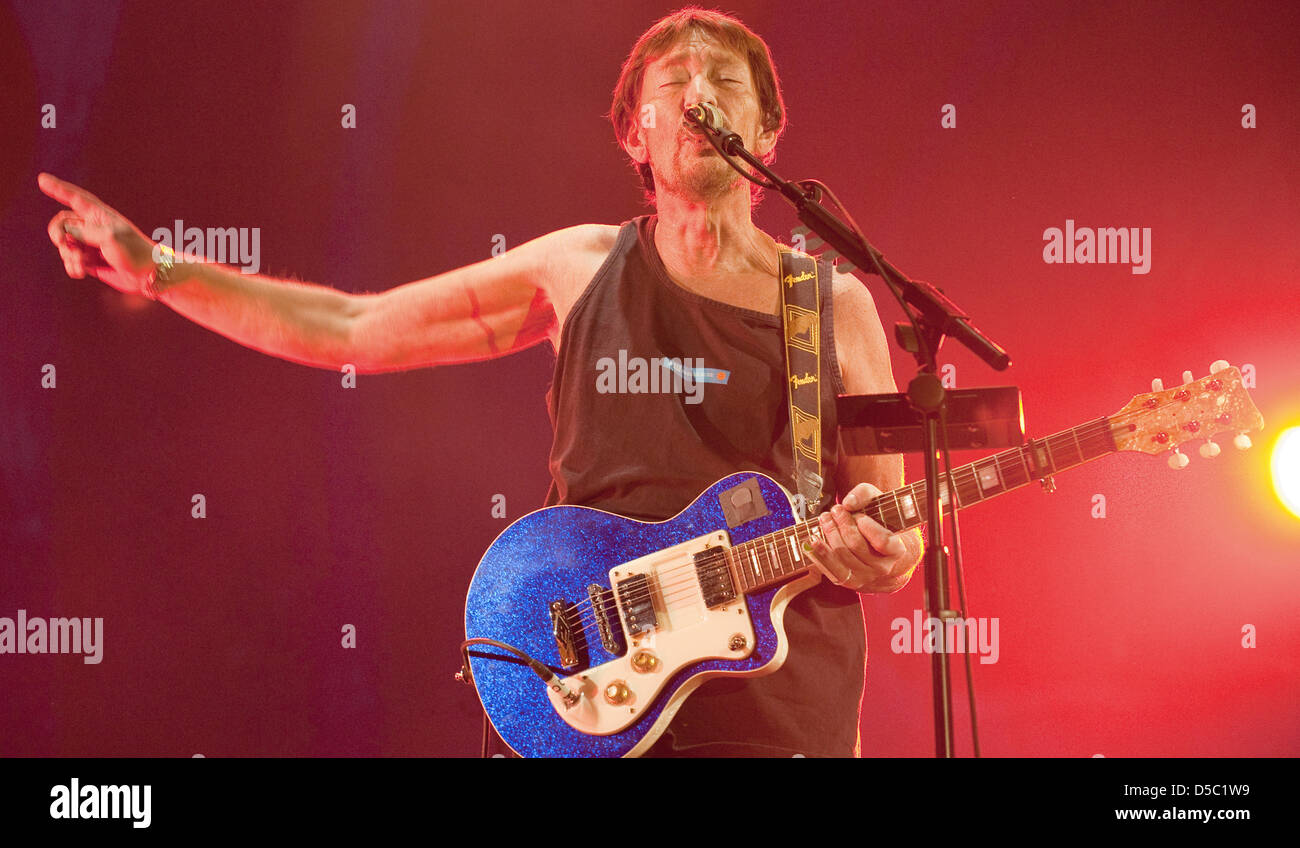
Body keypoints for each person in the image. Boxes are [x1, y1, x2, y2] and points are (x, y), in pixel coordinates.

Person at [40, 8, 923, 757]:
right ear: (633, 133)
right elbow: (354, 329)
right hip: (591, 692)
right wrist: (161, 269)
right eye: (674, 81)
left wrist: (881, 553)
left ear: (766, 131)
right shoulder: (577, 268)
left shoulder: (831, 305)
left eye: (727, 82)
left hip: (776, 711)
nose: (700, 95)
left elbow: (893, 532)